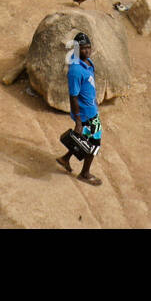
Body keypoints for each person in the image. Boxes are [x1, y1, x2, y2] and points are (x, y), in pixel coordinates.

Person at [58, 32, 102, 186]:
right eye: (83, 49)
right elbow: (73, 96)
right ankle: (85, 174)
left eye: (88, 47)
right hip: (86, 114)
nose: (87, 51)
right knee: (94, 144)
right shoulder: (75, 71)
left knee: (82, 140)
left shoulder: (88, 62)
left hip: (91, 109)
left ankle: (65, 159)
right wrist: (78, 121)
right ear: (77, 50)